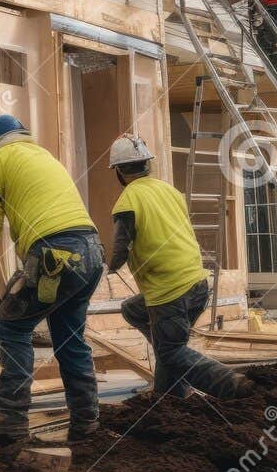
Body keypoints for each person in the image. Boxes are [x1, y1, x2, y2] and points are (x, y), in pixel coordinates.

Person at [0, 115, 105, 446]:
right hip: (91, 251)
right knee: (69, 338)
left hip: (54, 253)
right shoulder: (44, 156)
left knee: (10, 325)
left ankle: (11, 418)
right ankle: (86, 421)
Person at [107, 135, 252, 400]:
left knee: (171, 352)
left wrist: (104, 265)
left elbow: (117, 254)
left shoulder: (127, 201)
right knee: (134, 311)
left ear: (118, 171)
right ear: (147, 165)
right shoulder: (171, 192)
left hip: (169, 293)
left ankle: (229, 383)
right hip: (197, 284)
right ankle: (171, 397)